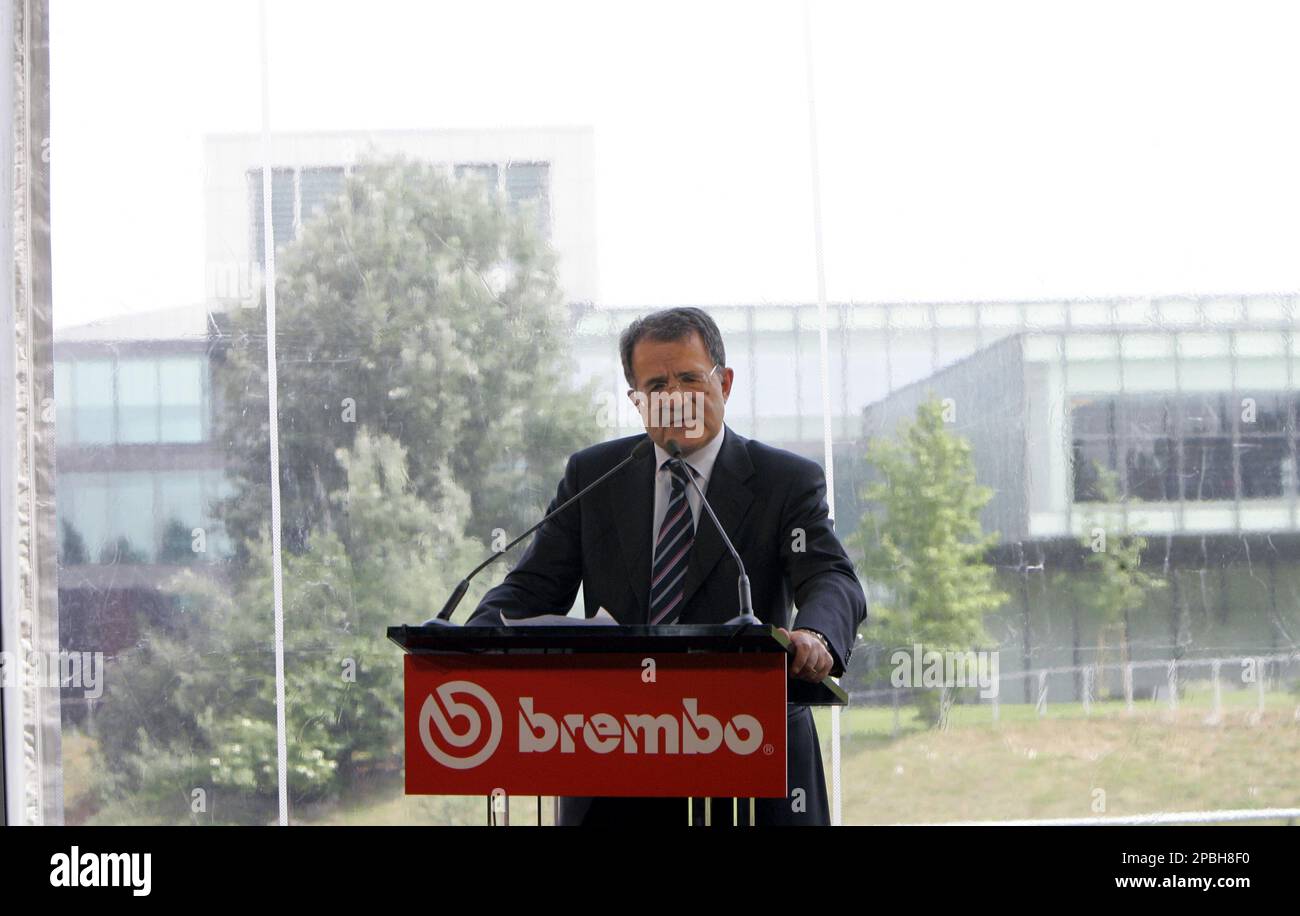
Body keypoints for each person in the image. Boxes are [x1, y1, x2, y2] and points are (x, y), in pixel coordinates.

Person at [468, 306, 867, 825]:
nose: (675, 398)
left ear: (724, 382)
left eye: (689, 379)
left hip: (751, 759)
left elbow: (831, 577)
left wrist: (815, 632)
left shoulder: (784, 480)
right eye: (656, 385)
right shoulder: (595, 475)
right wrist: (469, 644)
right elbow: (532, 587)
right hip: (612, 756)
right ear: (636, 401)